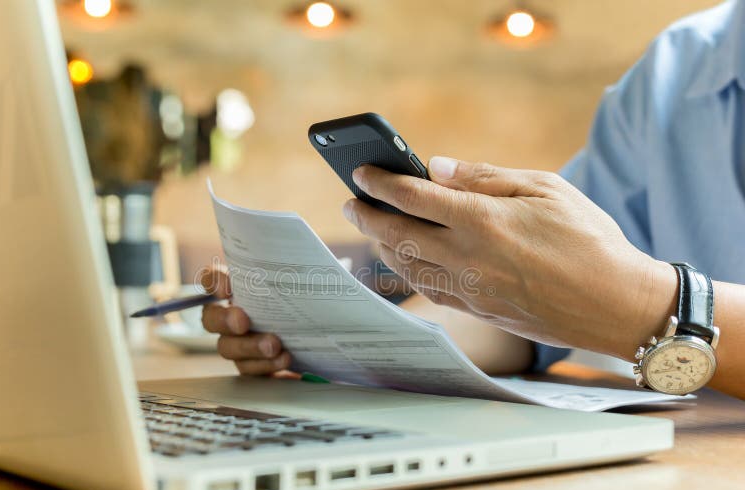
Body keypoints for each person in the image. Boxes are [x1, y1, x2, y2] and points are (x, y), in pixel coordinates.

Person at [199, 0, 745, 399]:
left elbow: (608, 294)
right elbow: (523, 305)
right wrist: (348, 343)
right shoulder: (675, 69)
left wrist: (647, 305)